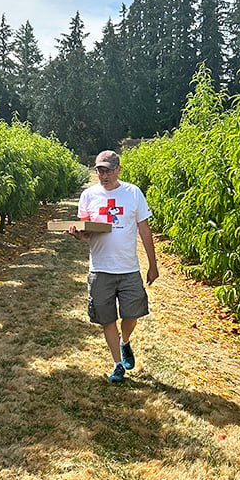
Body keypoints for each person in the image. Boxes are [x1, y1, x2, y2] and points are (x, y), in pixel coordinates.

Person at [67, 150, 159, 383]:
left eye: (108, 171)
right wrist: (78, 235)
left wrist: (153, 264)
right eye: (100, 171)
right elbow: (86, 232)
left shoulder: (133, 193)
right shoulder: (88, 195)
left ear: (118, 169)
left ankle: (124, 341)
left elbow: (144, 229)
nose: (104, 176)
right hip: (100, 269)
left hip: (128, 268)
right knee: (107, 318)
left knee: (132, 315)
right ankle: (118, 364)